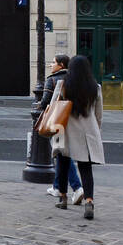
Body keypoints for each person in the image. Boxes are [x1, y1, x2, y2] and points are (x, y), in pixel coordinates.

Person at [52, 54, 103, 219]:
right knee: (85, 168)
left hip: (65, 130)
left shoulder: (63, 85)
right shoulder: (95, 87)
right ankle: (89, 201)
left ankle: (63, 196)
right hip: (87, 131)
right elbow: (98, 114)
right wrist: (96, 131)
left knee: (63, 163)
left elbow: (54, 107)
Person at [40, 55, 83, 204]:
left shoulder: (53, 79)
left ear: (61, 65)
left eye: (53, 62)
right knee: (61, 153)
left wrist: (40, 106)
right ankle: (57, 187)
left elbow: (46, 101)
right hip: (74, 121)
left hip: (58, 121)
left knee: (62, 154)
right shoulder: (76, 79)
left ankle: (77, 187)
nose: (51, 65)